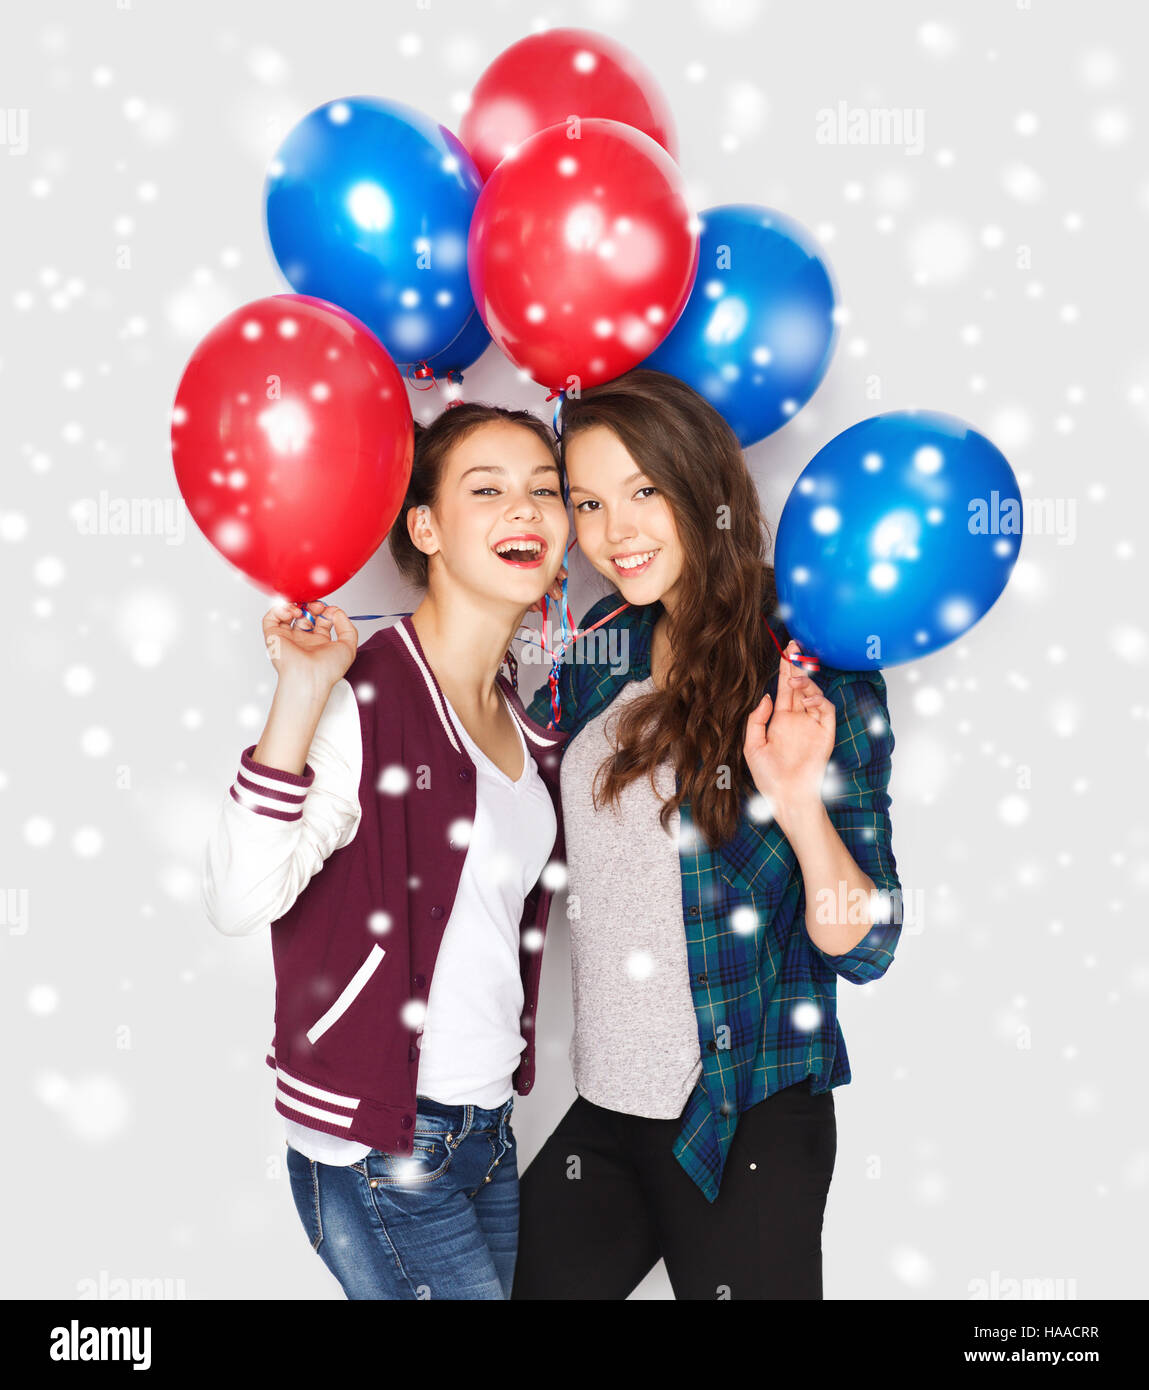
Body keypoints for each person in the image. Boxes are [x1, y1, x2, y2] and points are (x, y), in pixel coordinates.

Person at [511, 368, 903, 1300]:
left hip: (742, 1117)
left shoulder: (808, 663)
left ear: (703, 485)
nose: (616, 533)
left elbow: (868, 942)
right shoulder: (607, 639)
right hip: (609, 1108)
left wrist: (798, 798)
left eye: (644, 491)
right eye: (590, 503)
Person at [201, 402, 570, 1299]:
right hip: (380, 1144)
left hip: (484, 1132)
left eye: (545, 491)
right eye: (486, 491)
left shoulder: (533, 729)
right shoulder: (366, 693)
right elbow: (239, 898)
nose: (524, 511)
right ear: (426, 528)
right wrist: (301, 692)